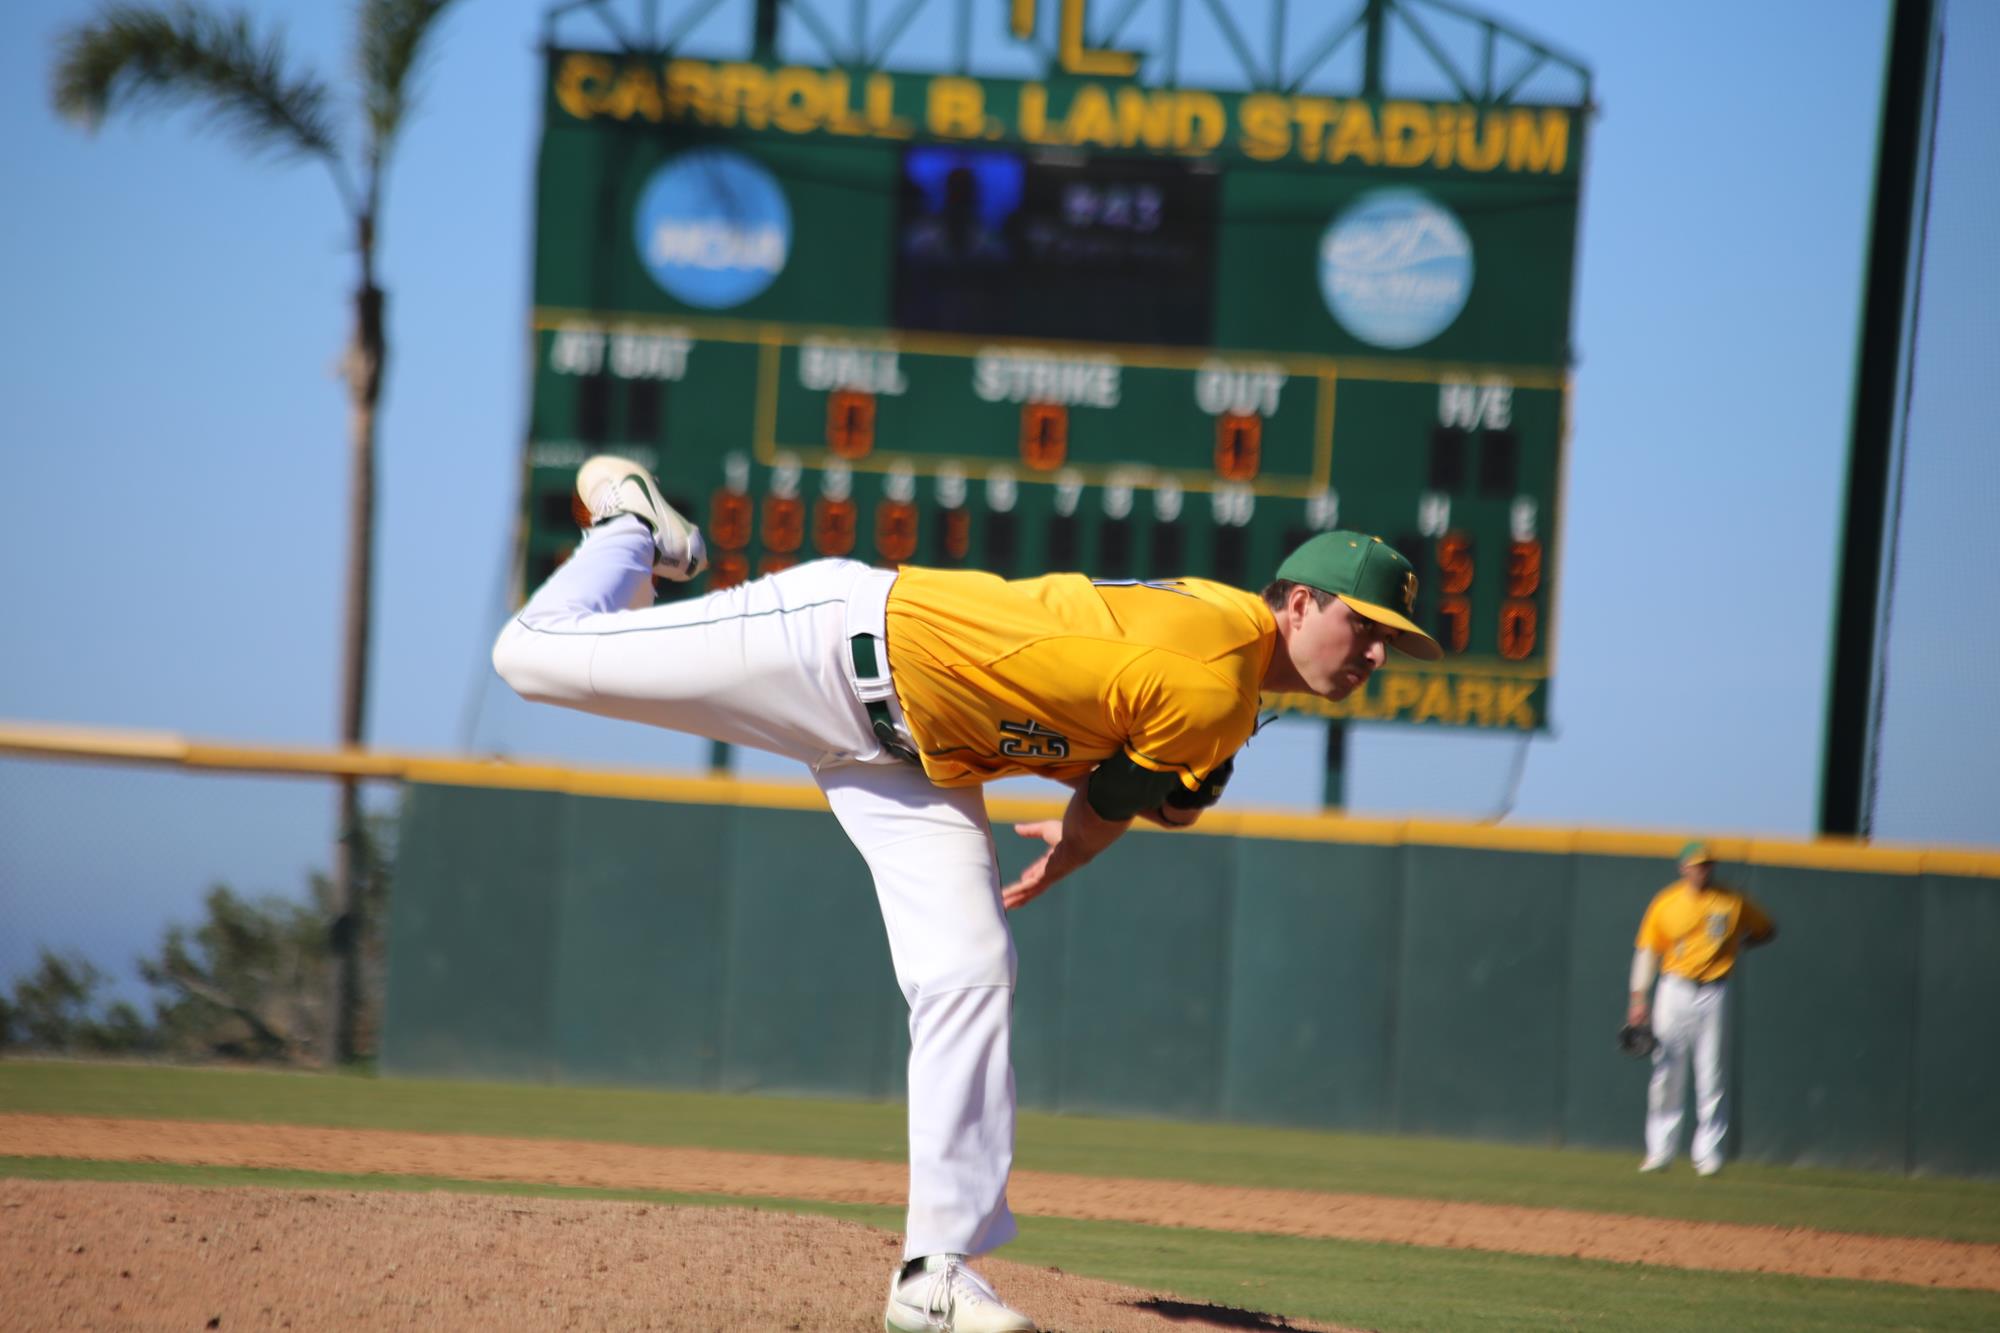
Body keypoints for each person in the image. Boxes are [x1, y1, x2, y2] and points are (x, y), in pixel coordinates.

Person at [490, 454, 1442, 1333]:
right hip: (832, 641)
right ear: (1303, 602)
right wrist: (1076, 848)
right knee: (531, 657)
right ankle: (630, 527)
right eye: (1365, 626)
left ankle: (932, 1273)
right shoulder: (1214, 683)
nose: (1376, 654)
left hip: (914, 759)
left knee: (972, 965)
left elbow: (1119, 731)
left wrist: (1161, 784)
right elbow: (1114, 799)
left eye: (1389, 638)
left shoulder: (1221, 646)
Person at [1627, 842, 1778, 1177]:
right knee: (1666, 1071)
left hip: (1714, 990)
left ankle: (1708, 1153)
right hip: (1674, 988)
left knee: (1712, 1074)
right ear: (1683, 868)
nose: (1701, 870)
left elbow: (1767, 929)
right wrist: (1638, 999)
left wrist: (1737, 945)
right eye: (1696, 865)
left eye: (1707, 865)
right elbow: (1647, 951)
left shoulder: (1731, 901)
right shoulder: (1666, 903)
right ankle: (1660, 1152)